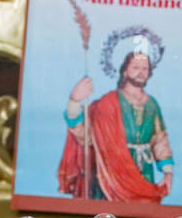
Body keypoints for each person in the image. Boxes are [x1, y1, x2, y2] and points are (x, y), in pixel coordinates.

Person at [57, 51, 174, 203]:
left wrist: (168, 173)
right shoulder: (108, 104)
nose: (141, 72)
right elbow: (84, 136)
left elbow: (160, 140)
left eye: (145, 68)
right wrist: (74, 101)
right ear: (125, 71)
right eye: (136, 67)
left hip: (144, 175)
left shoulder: (152, 104)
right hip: (112, 176)